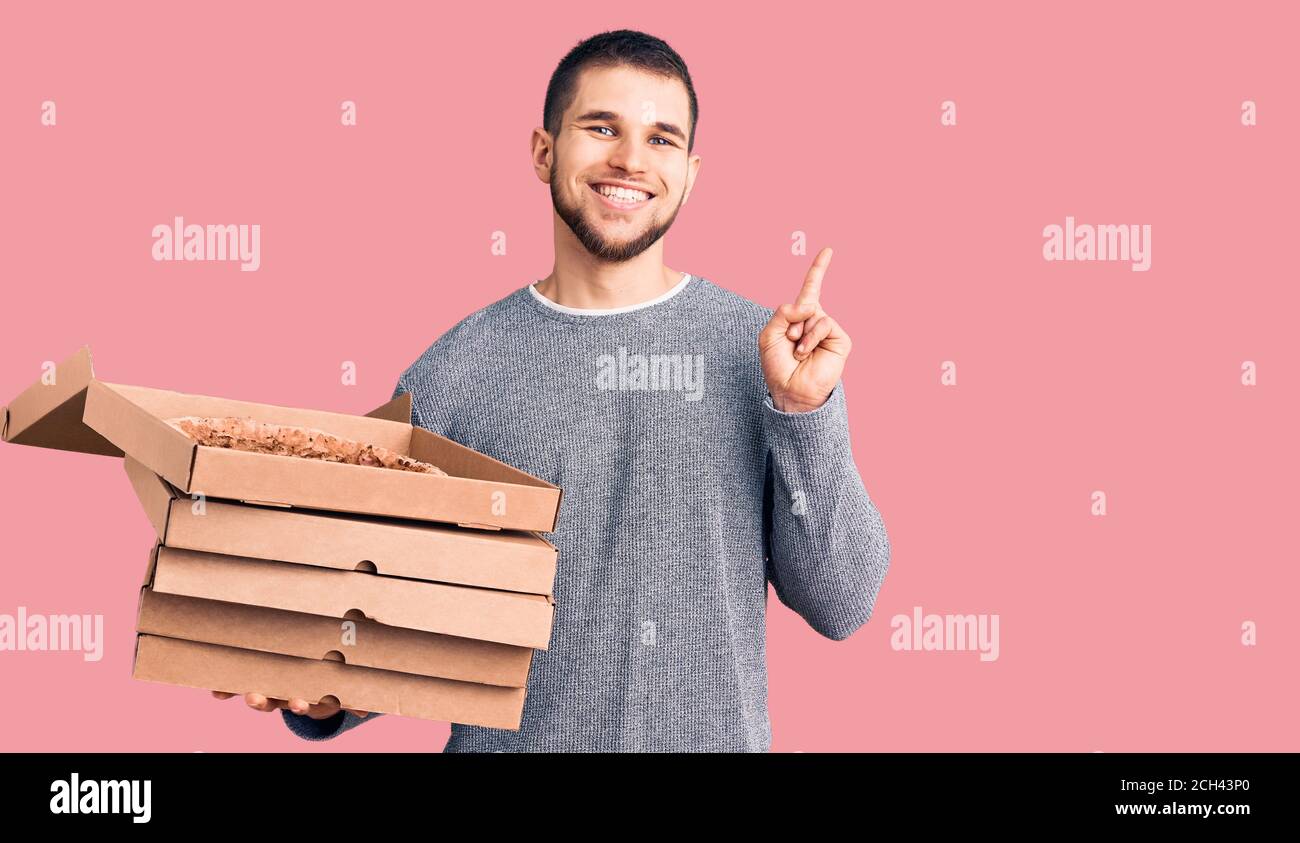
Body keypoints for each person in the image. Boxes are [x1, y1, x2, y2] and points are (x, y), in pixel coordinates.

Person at [216, 28, 890, 752]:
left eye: (661, 139)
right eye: (602, 127)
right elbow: (391, 613)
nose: (630, 159)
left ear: (691, 173)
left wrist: (802, 413)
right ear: (544, 151)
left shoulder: (768, 359)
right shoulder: (451, 375)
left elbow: (843, 599)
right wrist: (319, 690)